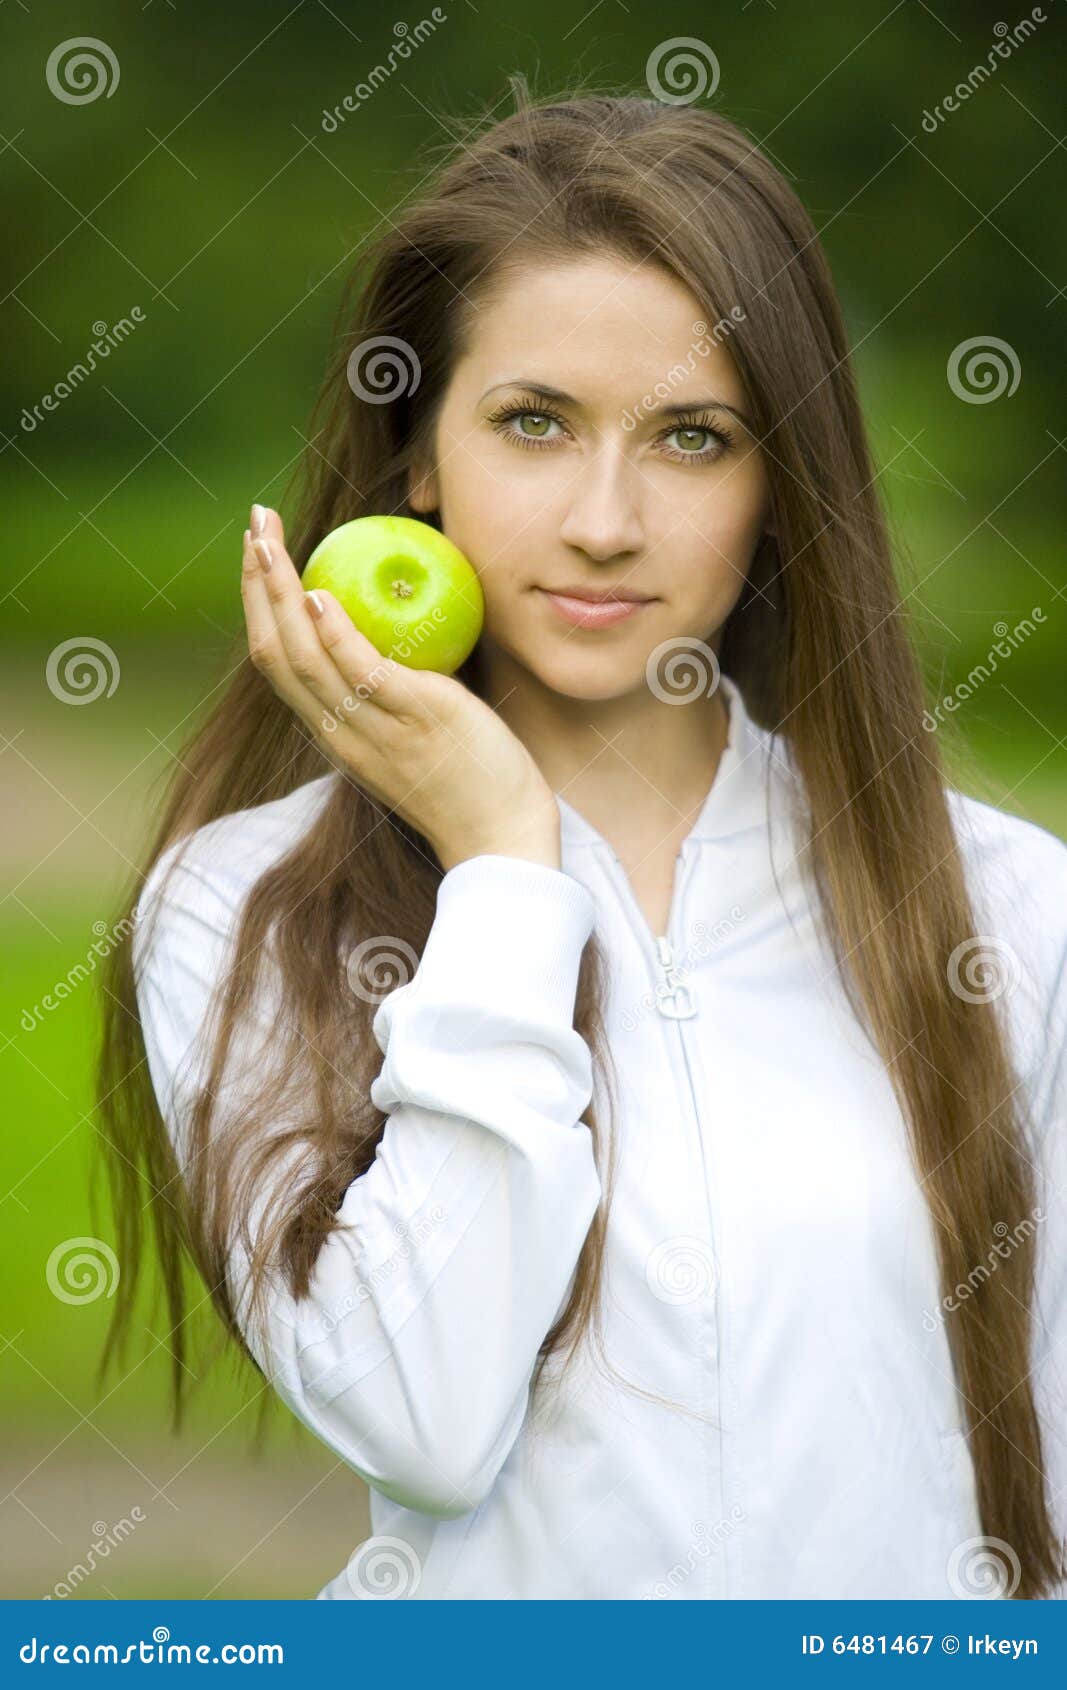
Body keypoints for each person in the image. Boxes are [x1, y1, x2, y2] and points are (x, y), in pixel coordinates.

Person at [95, 82, 1067, 1601]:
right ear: (418, 457)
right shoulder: (240, 905)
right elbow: (423, 1420)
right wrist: (500, 868)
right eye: (534, 422)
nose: (605, 520)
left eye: (692, 436)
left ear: (781, 484)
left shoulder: (1009, 903)